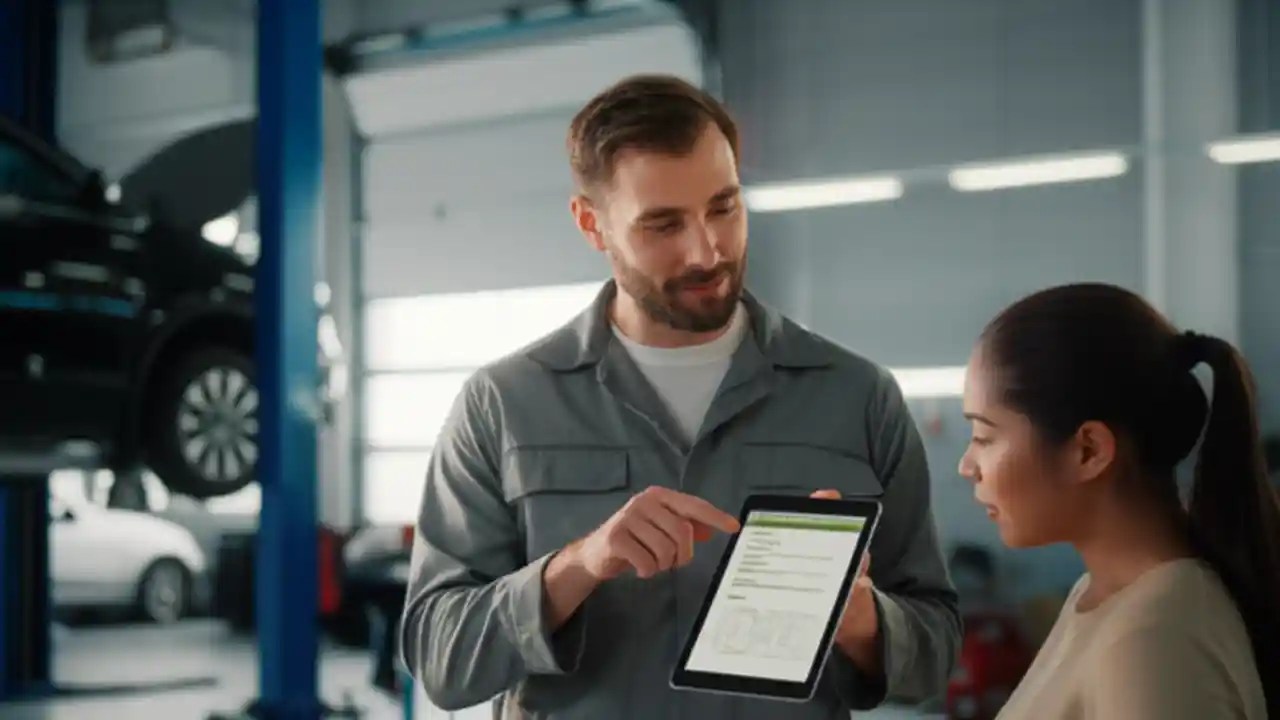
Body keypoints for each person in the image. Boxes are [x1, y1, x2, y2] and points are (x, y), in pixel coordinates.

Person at [398, 74, 960, 719]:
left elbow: (935, 652)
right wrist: (578, 566)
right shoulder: (503, 404)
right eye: (663, 225)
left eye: (724, 207)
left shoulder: (858, 397)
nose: (707, 251)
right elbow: (440, 660)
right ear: (592, 224)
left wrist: (860, 619)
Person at [958, 283, 1280, 720]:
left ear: (1088, 450)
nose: (966, 465)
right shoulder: (1099, 595)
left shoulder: (1153, 637)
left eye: (983, 437)